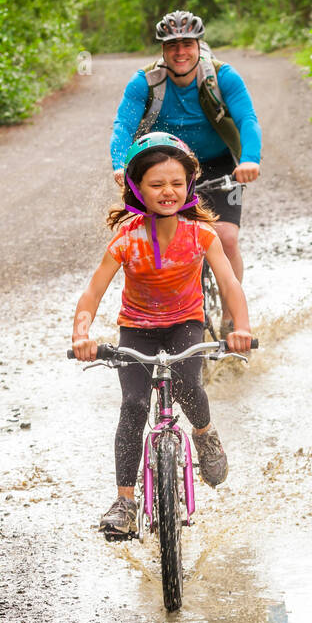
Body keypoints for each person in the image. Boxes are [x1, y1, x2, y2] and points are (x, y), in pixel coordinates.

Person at [73, 132, 253, 538]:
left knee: (190, 386)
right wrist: (81, 334)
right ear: (137, 187)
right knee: (134, 405)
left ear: (189, 185)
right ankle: (125, 501)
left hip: (185, 323)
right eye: (156, 184)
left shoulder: (201, 234)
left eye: (176, 183)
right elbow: (93, 291)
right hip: (137, 329)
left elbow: (228, 284)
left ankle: (205, 435)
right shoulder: (126, 238)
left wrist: (239, 327)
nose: (167, 192)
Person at [110, 9, 261, 336]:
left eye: (187, 44)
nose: (180, 52)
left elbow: (248, 119)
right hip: (166, 170)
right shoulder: (146, 82)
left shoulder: (223, 77)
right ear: (163, 50)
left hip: (221, 167)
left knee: (226, 236)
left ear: (199, 45)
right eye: (172, 45)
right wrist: (120, 164)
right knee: (157, 243)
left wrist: (249, 159)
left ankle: (232, 316)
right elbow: (123, 125)